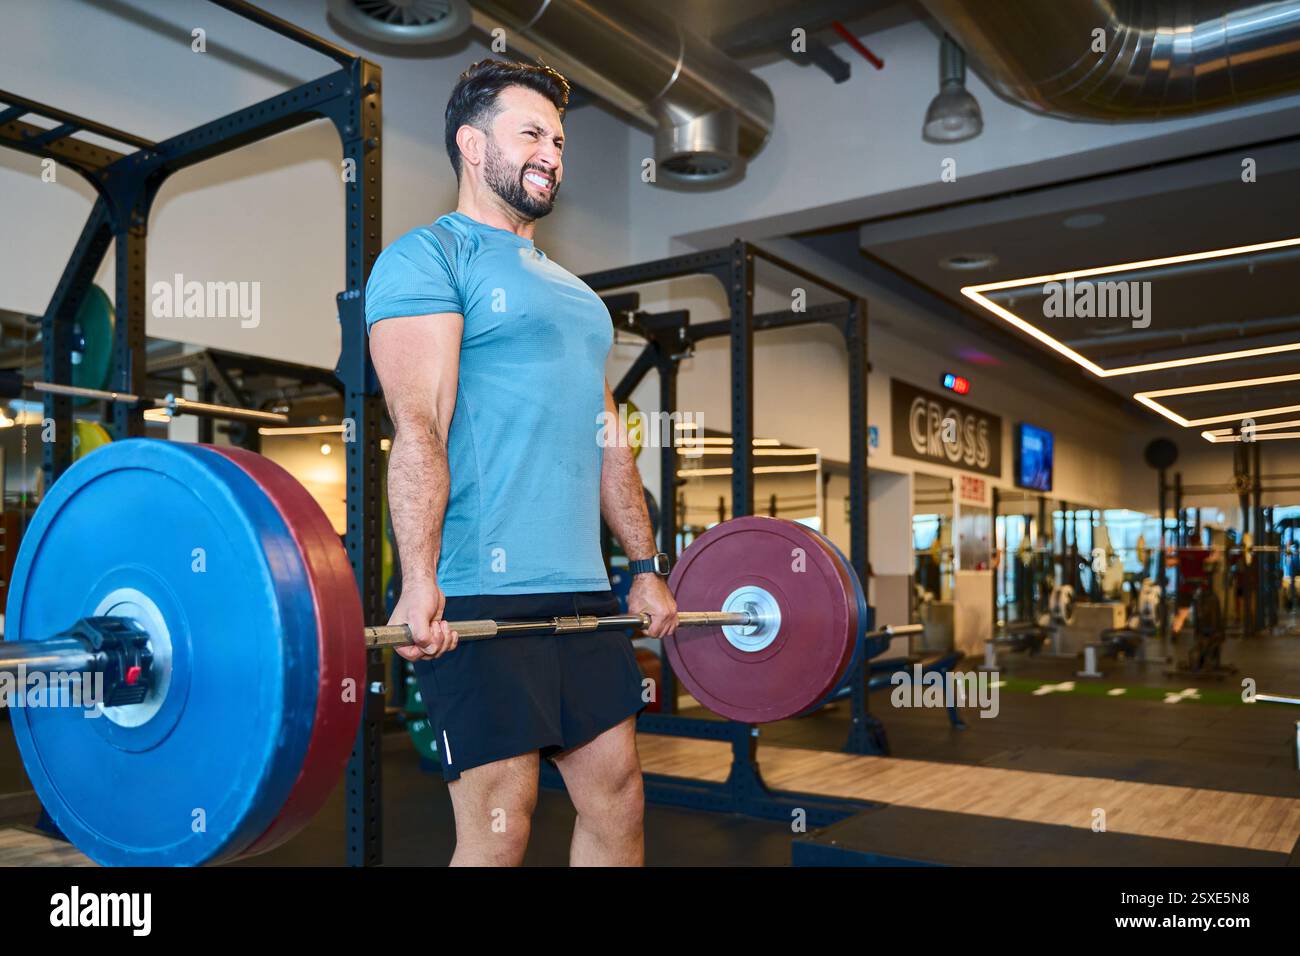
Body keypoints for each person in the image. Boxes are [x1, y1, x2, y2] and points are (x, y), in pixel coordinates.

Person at [365, 59, 677, 866]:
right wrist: (420, 575)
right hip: (478, 590)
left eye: (560, 139)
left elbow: (607, 438)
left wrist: (642, 564)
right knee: (503, 819)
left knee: (619, 800)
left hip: (580, 587)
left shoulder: (579, 296)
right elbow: (420, 424)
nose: (552, 152)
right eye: (531, 133)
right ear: (472, 145)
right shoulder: (427, 258)